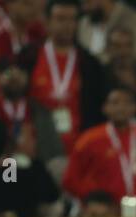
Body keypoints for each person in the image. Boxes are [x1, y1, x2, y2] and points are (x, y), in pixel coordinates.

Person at [30, 0, 106, 154]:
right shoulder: (28, 57)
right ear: (47, 22)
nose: (67, 25)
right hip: (38, 145)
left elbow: (97, 109)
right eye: (61, 19)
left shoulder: (90, 64)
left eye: (72, 19)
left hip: (81, 146)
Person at [61, 84, 136, 206]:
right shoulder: (89, 139)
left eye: (127, 103)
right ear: (105, 108)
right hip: (104, 215)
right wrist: (94, 200)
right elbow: (70, 180)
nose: (121, 108)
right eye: (115, 103)